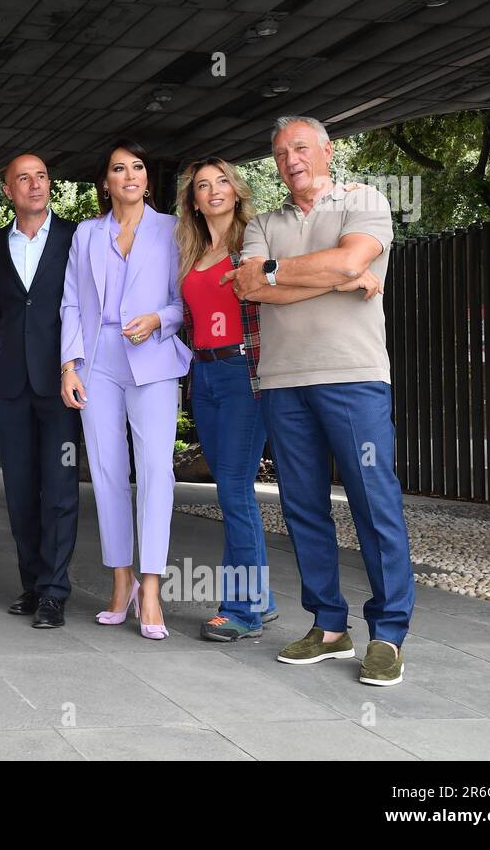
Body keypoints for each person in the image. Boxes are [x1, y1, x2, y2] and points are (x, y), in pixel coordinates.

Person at [228, 114, 411, 686]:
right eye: (281, 153)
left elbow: (348, 259)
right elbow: (251, 286)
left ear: (327, 151)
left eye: (301, 148)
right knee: (303, 505)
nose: (292, 160)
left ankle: (388, 633)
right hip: (282, 381)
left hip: (353, 375)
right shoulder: (261, 222)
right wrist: (333, 275)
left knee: (372, 501)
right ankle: (329, 627)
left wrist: (297, 272)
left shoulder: (364, 202)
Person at [60, 139, 190, 640]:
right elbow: (71, 303)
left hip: (153, 358)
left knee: (157, 470)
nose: (129, 175)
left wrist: (159, 318)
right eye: (119, 168)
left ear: (147, 180)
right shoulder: (86, 235)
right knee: (109, 474)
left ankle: (152, 587)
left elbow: (186, 302)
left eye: (137, 167)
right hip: (97, 363)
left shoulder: (174, 231)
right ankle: (122, 582)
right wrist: (69, 365)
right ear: (106, 182)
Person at [174, 157, 278, 641]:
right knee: (230, 490)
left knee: (235, 492)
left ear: (236, 191)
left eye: (221, 182)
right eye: (202, 186)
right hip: (205, 373)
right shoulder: (191, 251)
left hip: (244, 373)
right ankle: (264, 597)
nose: (212, 191)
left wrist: (352, 276)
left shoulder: (254, 241)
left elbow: (290, 279)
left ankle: (242, 610)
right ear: (192, 200)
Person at [0, 154, 80, 628]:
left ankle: (55, 591)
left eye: (41, 176)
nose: (35, 185)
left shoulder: (75, 237)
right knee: (18, 489)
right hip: (13, 382)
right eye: (24, 178)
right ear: (8, 190)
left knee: (58, 488)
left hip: (60, 382)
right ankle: (32, 584)